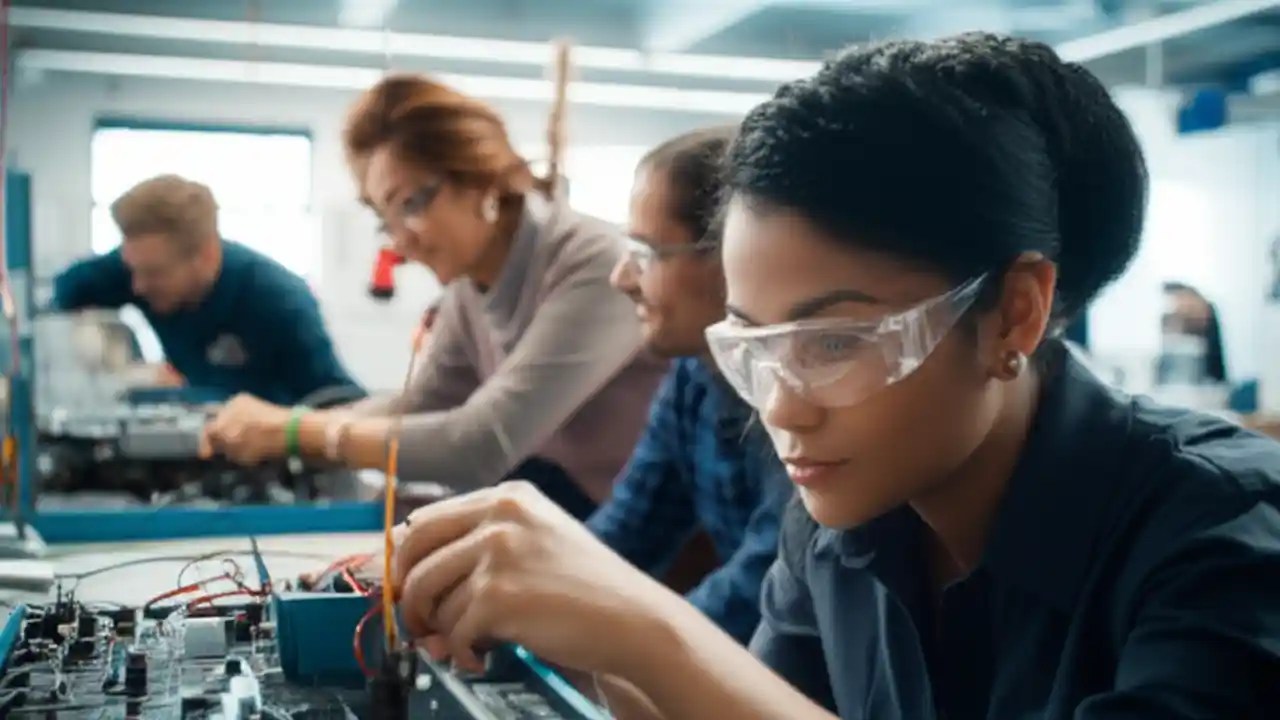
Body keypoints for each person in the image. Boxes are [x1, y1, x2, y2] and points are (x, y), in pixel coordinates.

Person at [391, 33, 1280, 719]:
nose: (782, 411)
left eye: (833, 343)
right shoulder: (834, 528)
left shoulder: (1221, 542)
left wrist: (648, 631)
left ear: (1015, 312)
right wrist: (581, 641)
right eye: (752, 344)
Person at [201, 70, 667, 519]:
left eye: (411, 205)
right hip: (565, 504)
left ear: (480, 178)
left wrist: (296, 432)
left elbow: (481, 444)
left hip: (647, 533)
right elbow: (420, 404)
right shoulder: (469, 285)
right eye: (387, 219)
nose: (400, 242)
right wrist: (276, 425)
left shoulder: (595, 263)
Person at [587, 126, 791, 644]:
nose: (621, 278)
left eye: (646, 252)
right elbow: (625, 535)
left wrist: (618, 640)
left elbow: (763, 589)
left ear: (731, 258)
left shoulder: (796, 397)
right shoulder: (693, 376)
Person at [51, 174, 361, 406]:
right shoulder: (140, 267)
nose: (137, 286)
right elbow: (66, 291)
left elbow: (336, 400)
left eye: (155, 274)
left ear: (207, 255)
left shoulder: (280, 302)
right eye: (132, 270)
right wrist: (125, 361)